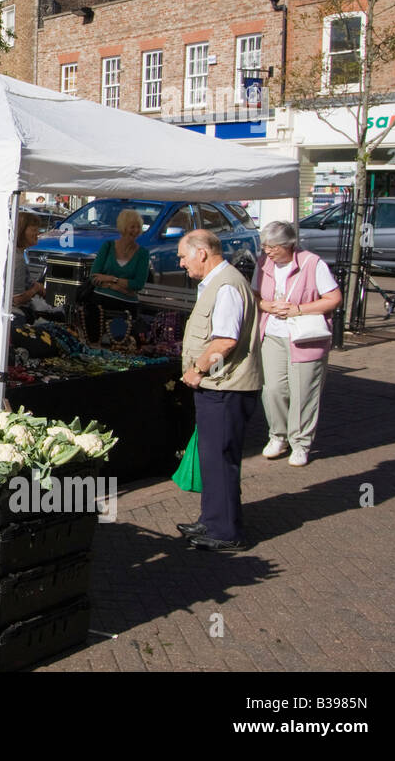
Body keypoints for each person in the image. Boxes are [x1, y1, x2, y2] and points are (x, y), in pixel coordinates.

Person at [176, 229, 261, 552]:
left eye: (184, 256)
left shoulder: (226, 285)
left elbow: (226, 340)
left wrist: (197, 370)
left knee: (221, 456)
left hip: (226, 387)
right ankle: (212, 519)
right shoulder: (218, 282)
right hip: (220, 386)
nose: (181, 263)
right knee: (211, 456)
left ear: (201, 253)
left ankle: (225, 531)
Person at [253, 221, 341, 468]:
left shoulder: (313, 264)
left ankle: (301, 443)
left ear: (289, 244)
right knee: (272, 390)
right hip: (272, 334)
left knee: (303, 392)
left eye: (273, 247)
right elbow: (256, 295)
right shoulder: (263, 264)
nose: (268, 251)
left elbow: (333, 298)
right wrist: (267, 306)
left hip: (305, 337)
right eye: (265, 246)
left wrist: (299, 309)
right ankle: (277, 436)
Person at [85, 208, 149, 342]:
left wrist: (111, 280)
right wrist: (122, 287)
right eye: (132, 227)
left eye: (138, 227)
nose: (136, 231)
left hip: (127, 303)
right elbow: (94, 277)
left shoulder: (142, 253)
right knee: (92, 308)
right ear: (123, 228)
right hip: (102, 299)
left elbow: (138, 284)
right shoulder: (107, 246)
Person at [11, 211, 46, 319]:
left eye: (38, 230)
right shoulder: (18, 259)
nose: (37, 233)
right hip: (18, 315)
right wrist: (35, 289)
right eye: (34, 230)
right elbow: (16, 299)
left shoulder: (14, 253)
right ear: (21, 231)